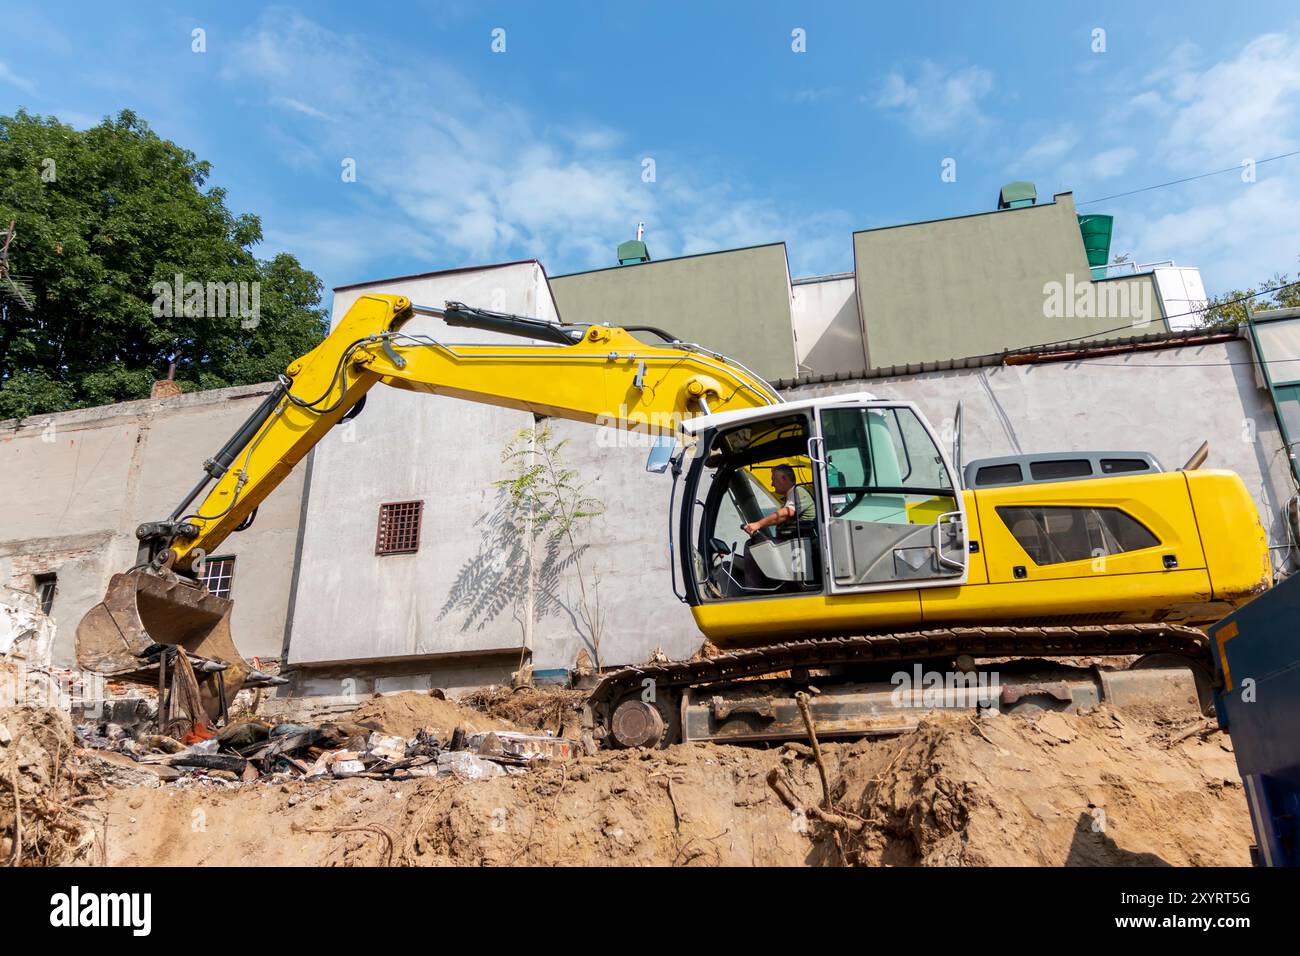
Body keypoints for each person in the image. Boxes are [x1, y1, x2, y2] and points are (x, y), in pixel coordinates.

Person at [741, 464, 815, 589]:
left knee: (752, 545)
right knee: (759, 542)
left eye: (773, 479)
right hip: (794, 542)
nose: (772, 484)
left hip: (798, 543)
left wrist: (758, 524)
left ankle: (754, 589)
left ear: (784, 478)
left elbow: (786, 513)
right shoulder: (790, 496)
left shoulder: (798, 491)